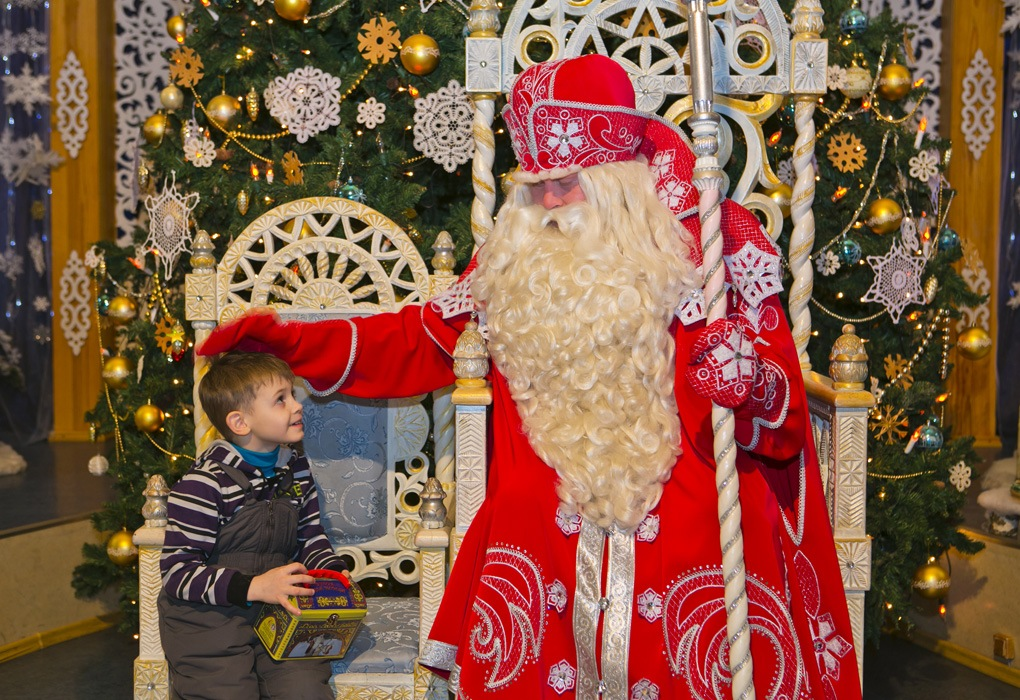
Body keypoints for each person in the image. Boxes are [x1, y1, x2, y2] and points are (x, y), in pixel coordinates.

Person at [200, 54, 861, 700]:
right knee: (519, 519)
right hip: (546, 509)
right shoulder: (513, 261)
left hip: (689, 499)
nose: (545, 201)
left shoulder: (706, 247)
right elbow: (415, 340)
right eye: (533, 182)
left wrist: (746, 380)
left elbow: (783, 423)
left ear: (617, 178)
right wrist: (287, 340)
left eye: (566, 181)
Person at [159, 351, 350, 699]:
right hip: (207, 624)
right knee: (227, 692)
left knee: (305, 690)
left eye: (292, 394)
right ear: (240, 423)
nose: (297, 406)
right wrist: (254, 586)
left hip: (277, 612)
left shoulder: (296, 469)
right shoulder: (203, 484)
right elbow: (177, 574)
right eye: (281, 400)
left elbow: (310, 538)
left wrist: (332, 574)